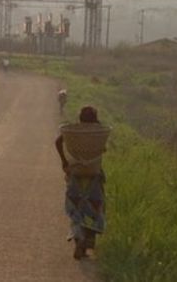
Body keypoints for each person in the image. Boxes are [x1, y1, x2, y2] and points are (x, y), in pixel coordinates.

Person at [55, 106, 106, 260]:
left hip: (75, 176)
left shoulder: (73, 131)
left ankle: (79, 240)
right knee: (94, 209)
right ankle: (87, 244)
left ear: (80, 117)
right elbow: (104, 149)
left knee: (76, 209)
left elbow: (58, 142)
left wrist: (64, 161)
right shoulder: (99, 132)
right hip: (94, 177)